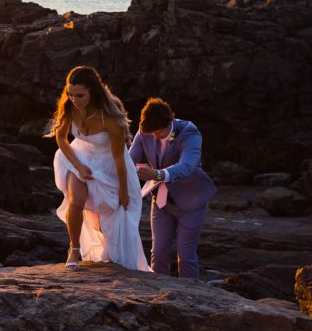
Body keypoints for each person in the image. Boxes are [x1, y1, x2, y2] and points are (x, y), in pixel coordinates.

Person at [48, 66, 151, 272]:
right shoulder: (70, 107)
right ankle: (74, 249)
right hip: (79, 157)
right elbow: (61, 138)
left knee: (113, 216)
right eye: (70, 94)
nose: (74, 99)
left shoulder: (110, 117)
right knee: (76, 202)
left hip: (110, 164)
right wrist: (79, 166)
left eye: (80, 95)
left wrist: (123, 190)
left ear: (92, 92)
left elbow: (119, 158)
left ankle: (110, 254)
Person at [129, 97, 216, 279]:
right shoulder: (147, 130)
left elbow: (187, 166)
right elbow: (128, 160)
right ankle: (158, 295)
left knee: (185, 257)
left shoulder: (189, 132)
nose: (154, 136)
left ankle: (191, 298)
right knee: (158, 252)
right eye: (150, 133)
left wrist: (156, 174)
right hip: (161, 202)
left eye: (158, 132)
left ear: (169, 121)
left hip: (191, 200)